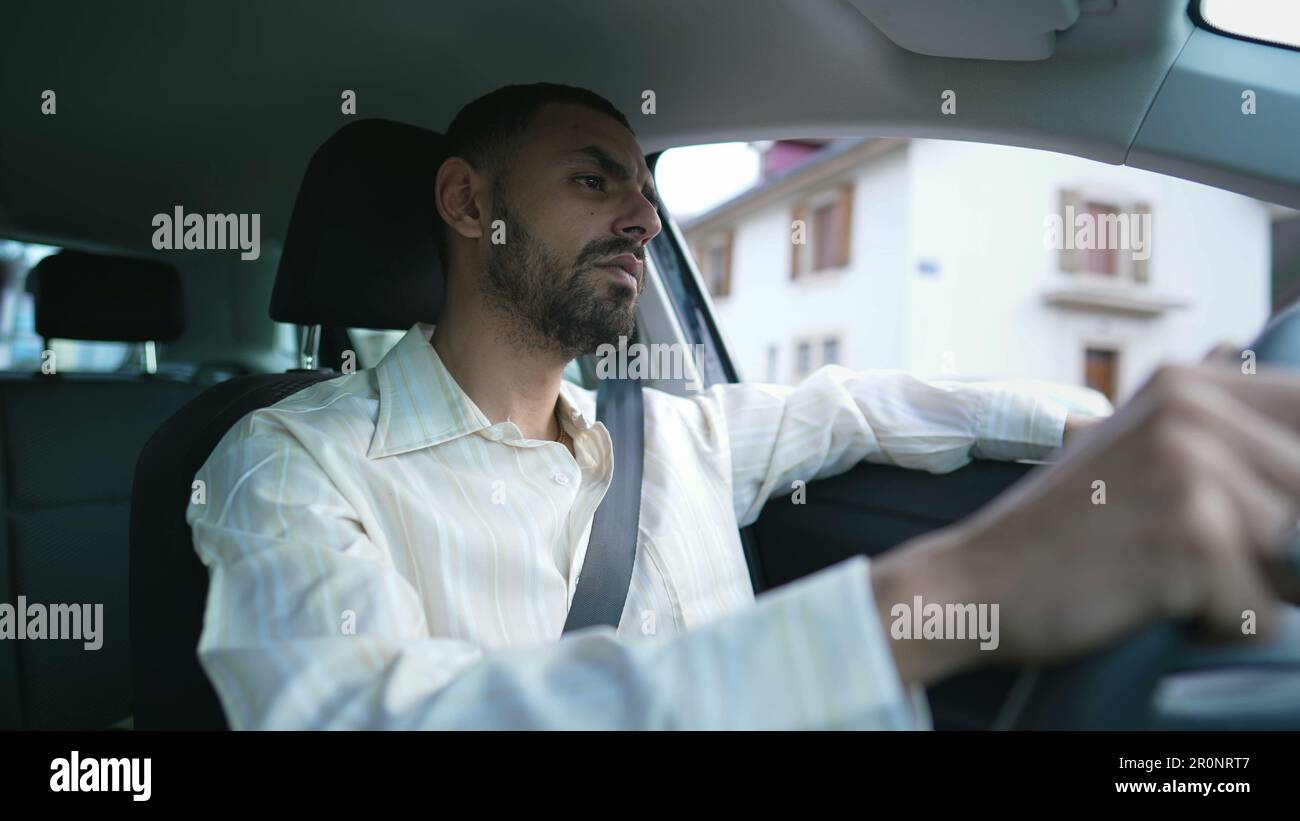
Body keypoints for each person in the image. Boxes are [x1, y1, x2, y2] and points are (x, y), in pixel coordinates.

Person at [188, 82, 1298, 729]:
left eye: (647, 188)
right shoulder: (289, 462)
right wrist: (937, 597)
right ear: (469, 202)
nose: (644, 220)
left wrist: (1098, 429)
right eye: (594, 181)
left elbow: (867, 404)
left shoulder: (684, 434)